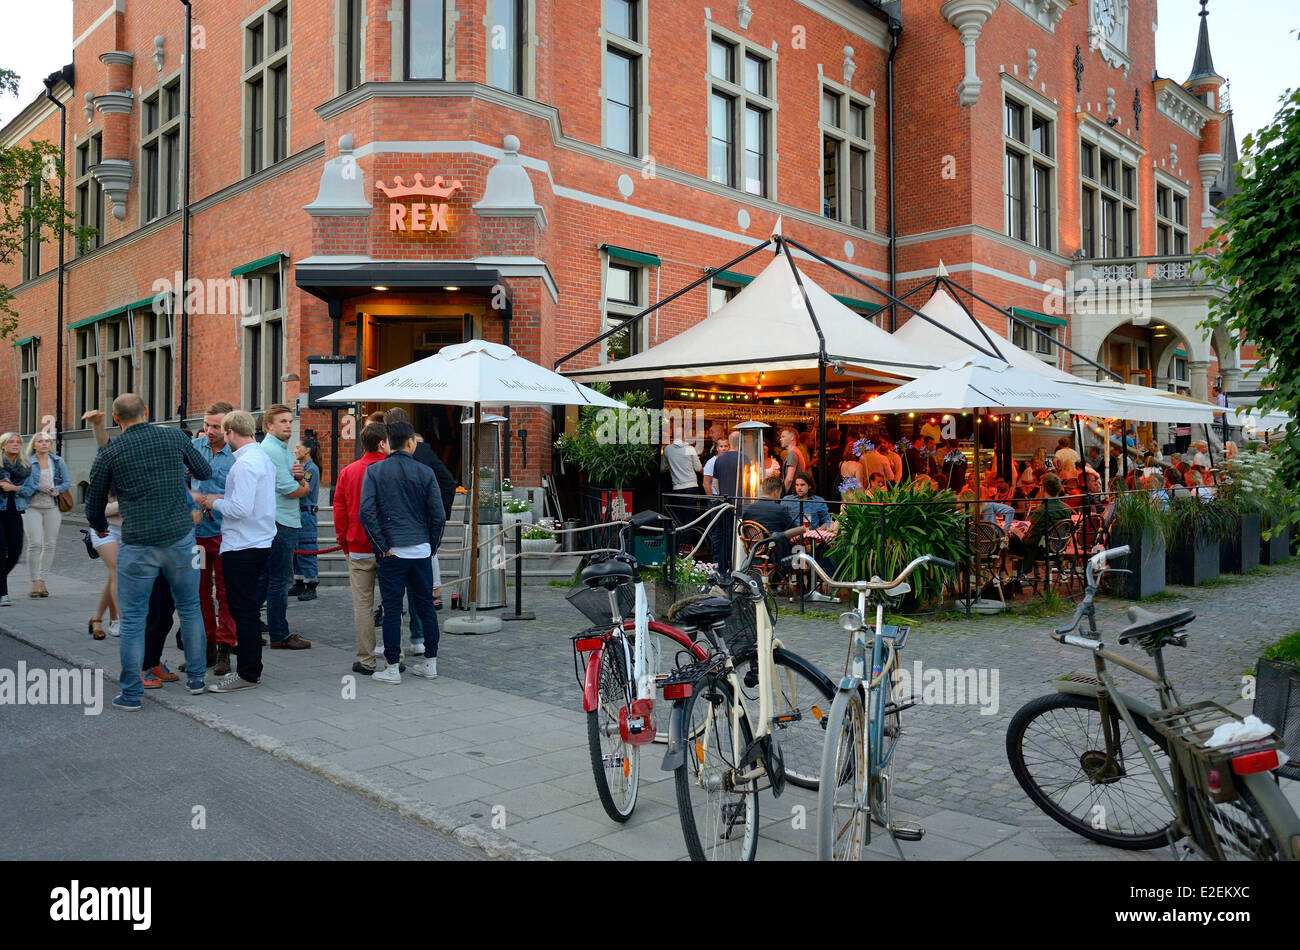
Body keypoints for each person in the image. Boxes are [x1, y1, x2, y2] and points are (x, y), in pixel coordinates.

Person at [85, 393, 213, 709]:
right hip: (180, 538)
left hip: (138, 542)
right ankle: (196, 679)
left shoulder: (110, 452)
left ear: (117, 419)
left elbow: (93, 502)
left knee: (132, 620)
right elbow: (204, 471)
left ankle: (131, 694)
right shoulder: (173, 437)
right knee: (190, 607)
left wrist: (100, 527)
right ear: (147, 411)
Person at [359, 420, 445, 685]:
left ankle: (393, 666)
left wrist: (382, 546)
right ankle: (430, 662)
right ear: (411, 441)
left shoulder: (375, 471)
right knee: (426, 607)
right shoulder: (425, 471)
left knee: (392, 609)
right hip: (419, 548)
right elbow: (438, 515)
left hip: (392, 550)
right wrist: (432, 545)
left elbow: (366, 512)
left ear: (387, 442)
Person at [198, 410, 277, 693]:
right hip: (259, 541)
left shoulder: (243, 465)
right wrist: (221, 498)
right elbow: (249, 501)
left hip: (242, 544)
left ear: (231, 433)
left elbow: (240, 509)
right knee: (249, 611)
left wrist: (212, 503)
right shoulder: (262, 458)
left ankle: (247, 672)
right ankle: (251, 668)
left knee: (243, 611)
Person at [383, 406, 455, 644]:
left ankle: (394, 651)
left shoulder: (382, 458)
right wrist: (437, 519)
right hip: (420, 533)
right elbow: (447, 482)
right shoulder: (422, 452)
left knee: (393, 599)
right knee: (419, 593)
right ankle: (419, 639)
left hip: (391, 536)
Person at [334, 422, 390, 675]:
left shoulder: (349, 471)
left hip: (358, 544)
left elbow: (340, 511)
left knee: (363, 605)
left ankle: (366, 660)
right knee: (391, 603)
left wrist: (343, 542)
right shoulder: (391, 469)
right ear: (382, 442)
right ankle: (393, 656)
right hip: (389, 546)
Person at [255, 404, 313, 651]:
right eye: (283, 421)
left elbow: (292, 480)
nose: (289, 425)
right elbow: (288, 489)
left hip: (280, 519)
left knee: (268, 577)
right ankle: (279, 633)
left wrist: (298, 478)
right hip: (281, 520)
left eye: (290, 421)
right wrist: (305, 488)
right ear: (269, 425)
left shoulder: (279, 449)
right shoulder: (273, 450)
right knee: (279, 579)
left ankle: (246, 623)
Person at [188, 402, 237, 675]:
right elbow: (181, 481)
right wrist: (190, 498)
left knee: (226, 594)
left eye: (216, 426)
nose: (209, 430)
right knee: (200, 592)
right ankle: (205, 645)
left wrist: (215, 500)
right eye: (207, 424)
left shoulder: (237, 455)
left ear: (229, 427)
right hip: (197, 535)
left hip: (226, 534)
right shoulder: (195, 448)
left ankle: (225, 649)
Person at [18, 432, 70, 598]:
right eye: (40, 441)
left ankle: (42, 580)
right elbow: (24, 485)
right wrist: (40, 488)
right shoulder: (27, 462)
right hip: (31, 506)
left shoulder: (58, 461)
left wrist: (58, 490)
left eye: (47, 441)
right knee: (35, 543)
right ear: (34, 445)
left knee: (50, 544)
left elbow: (67, 482)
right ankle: (34, 581)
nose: (44, 444)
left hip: (52, 506)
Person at [1009, 473, 1071, 577]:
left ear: (1043, 489)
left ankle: (1015, 579)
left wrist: (1018, 533)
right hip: (1058, 550)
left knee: (1012, 539)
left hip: (1041, 552)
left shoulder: (1041, 511)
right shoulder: (1066, 509)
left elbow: (1031, 541)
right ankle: (1024, 577)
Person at [742, 476, 806, 562]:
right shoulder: (779, 509)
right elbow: (793, 529)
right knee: (799, 547)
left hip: (754, 551)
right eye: (780, 493)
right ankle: (801, 574)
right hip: (774, 553)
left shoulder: (748, 510)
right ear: (776, 492)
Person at [290, 437, 322, 601]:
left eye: (297, 447)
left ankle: (311, 584)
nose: (295, 450)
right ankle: (299, 581)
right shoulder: (301, 467)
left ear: (307, 450)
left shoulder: (310, 469)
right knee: (297, 550)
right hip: (297, 512)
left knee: (307, 548)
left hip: (306, 513)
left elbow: (304, 489)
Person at [0, 432, 30, 607]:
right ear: (3, 445)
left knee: (15, 551)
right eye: (11, 442)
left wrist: (14, 487)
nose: (15, 444)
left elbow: (31, 489)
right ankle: (3, 593)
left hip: (15, 511)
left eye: (18, 442)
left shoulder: (26, 467)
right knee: (0, 550)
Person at [661, 419, 703, 543]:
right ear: (684, 436)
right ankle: (687, 547)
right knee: (690, 518)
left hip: (677, 488)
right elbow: (698, 468)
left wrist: (672, 465)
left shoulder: (668, 449)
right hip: (691, 487)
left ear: (673, 436)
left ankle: (679, 546)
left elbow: (662, 468)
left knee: (678, 518)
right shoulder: (690, 449)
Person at [778, 427, 806, 492]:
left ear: (792, 437)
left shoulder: (792, 453)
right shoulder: (796, 451)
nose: (780, 439)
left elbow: (789, 479)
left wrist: (783, 494)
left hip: (792, 493)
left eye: (783, 436)